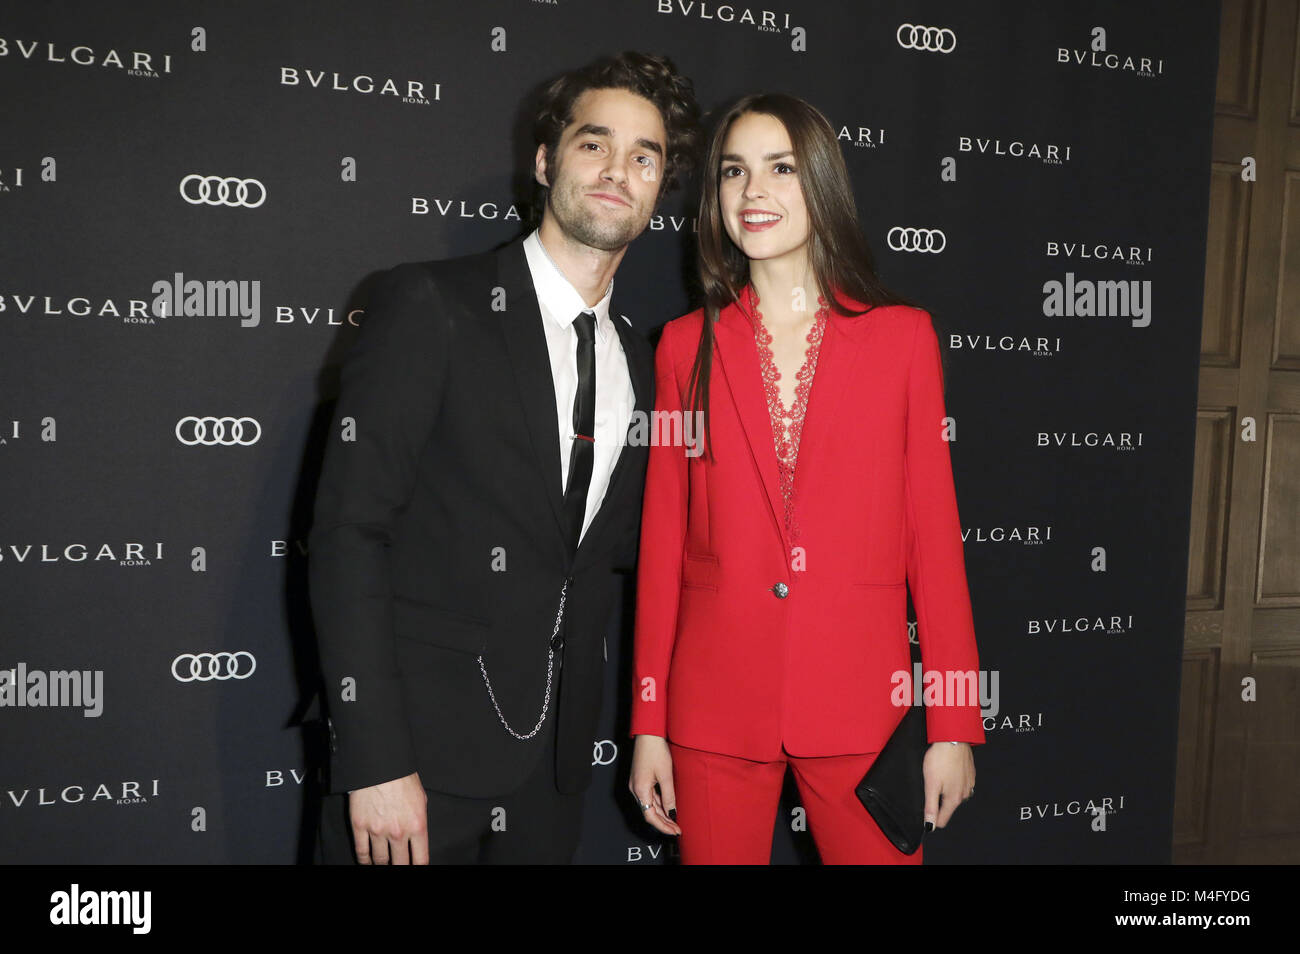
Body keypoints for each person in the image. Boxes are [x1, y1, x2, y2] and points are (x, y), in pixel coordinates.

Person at [309, 51, 701, 864]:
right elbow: (349, 535)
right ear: (546, 160)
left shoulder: (646, 359)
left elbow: (627, 557)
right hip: (413, 767)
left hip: (552, 774)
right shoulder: (432, 305)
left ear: (660, 189)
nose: (618, 171)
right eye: (595, 144)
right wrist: (376, 761)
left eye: (644, 156)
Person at [627, 92, 984, 864]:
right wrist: (648, 722)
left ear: (820, 181)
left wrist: (953, 722)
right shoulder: (684, 347)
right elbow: (662, 547)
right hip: (713, 713)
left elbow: (936, 545)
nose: (753, 192)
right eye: (734, 172)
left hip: (865, 712)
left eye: (780, 168)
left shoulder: (902, 340)